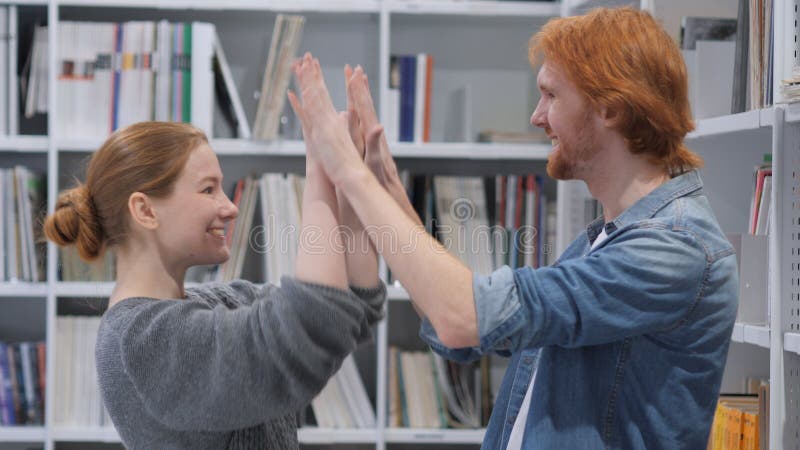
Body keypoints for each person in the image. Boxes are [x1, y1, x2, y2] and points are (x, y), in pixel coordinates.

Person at [288, 6, 738, 449]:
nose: (536, 117)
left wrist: (348, 172)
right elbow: (460, 327)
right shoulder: (603, 239)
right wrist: (382, 178)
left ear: (610, 109)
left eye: (551, 95)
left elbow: (461, 316)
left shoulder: (673, 249)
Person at [43, 120, 387, 449]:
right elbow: (310, 319)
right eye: (209, 189)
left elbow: (341, 313)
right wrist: (319, 174)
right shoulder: (142, 338)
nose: (230, 207)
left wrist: (356, 188)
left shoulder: (219, 301)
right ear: (145, 211)